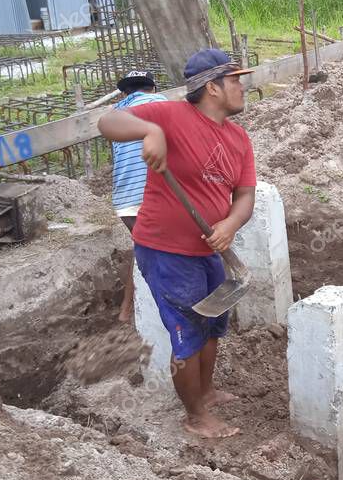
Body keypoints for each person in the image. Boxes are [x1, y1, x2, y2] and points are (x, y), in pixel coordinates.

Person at [97, 49, 255, 439]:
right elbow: (107, 120)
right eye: (234, 79)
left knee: (214, 325)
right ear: (212, 87)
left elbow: (245, 195)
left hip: (210, 250)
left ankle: (206, 392)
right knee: (188, 331)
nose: (241, 86)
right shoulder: (170, 116)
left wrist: (231, 224)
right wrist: (150, 133)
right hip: (166, 249)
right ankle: (196, 416)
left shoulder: (238, 138)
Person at [111, 70, 168, 323]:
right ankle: (157, 313)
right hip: (154, 195)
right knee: (163, 252)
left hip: (125, 200)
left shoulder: (116, 113)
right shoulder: (163, 104)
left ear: (125, 94)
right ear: (153, 89)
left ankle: (126, 310)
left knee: (144, 247)